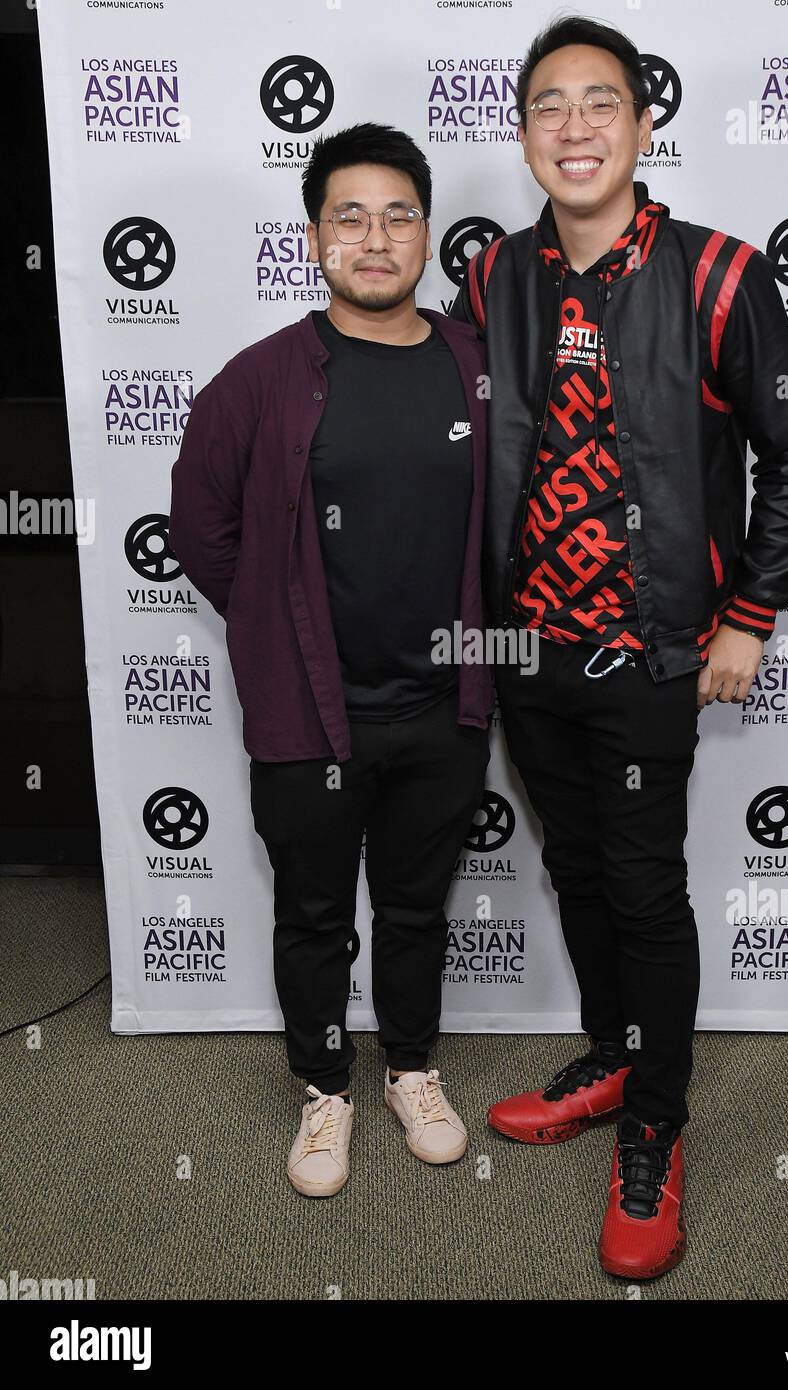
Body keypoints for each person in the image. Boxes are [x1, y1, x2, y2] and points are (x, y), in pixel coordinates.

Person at [450, 16, 788, 1279]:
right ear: (521, 134)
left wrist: (749, 615)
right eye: (547, 107)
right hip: (530, 649)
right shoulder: (497, 277)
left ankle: (655, 1130)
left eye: (598, 104)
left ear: (641, 125)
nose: (573, 129)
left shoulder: (719, 275)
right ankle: (611, 1057)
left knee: (646, 888)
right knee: (575, 873)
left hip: (653, 652)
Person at [169, 123, 492, 1198]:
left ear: (426, 236)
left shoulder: (476, 369)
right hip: (311, 714)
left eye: (398, 214)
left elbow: (523, 521)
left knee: (413, 908)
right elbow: (198, 521)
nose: (375, 235)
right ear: (314, 238)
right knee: (312, 912)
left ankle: (409, 1069)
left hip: (445, 708)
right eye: (349, 214)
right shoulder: (261, 380)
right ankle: (323, 1090)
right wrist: (268, 620)